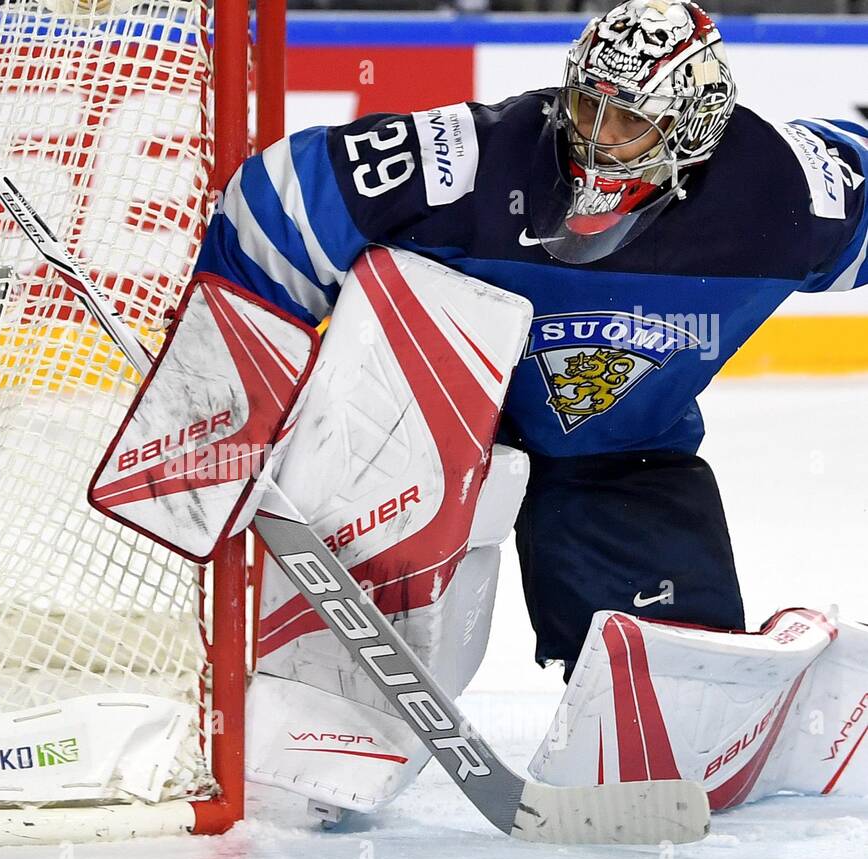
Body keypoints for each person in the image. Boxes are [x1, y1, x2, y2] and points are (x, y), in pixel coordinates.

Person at [199, 0, 868, 814]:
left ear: (696, 127)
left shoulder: (782, 192)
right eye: (588, 102)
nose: (595, 135)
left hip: (624, 447)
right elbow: (279, 200)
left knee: (680, 709)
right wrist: (239, 387)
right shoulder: (477, 158)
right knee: (378, 590)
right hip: (431, 421)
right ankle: (322, 735)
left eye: (629, 120)